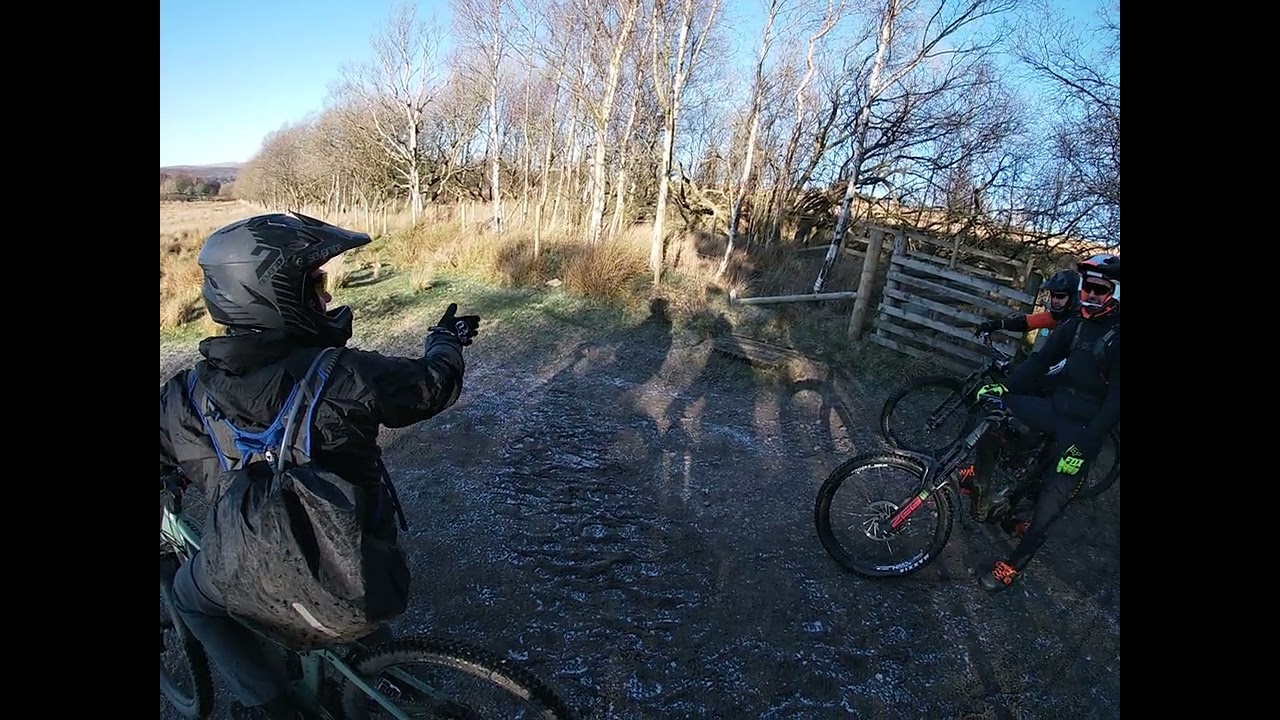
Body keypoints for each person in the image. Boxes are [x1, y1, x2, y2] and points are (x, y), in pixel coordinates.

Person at [159, 211, 481, 719]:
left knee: (189, 596)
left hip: (246, 575)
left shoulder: (183, 395)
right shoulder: (347, 375)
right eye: (315, 285)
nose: (327, 297)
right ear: (273, 293)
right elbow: (432, 385)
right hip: (361, 575)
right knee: (346, 570)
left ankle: (279, 708)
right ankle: (385, 670)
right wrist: (445, 340)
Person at [962, 253, 1119, 593]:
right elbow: (1040, 361)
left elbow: (1116, 402)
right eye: (1087, 288)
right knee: (994, 413)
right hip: (1054, 407)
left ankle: (1013, 566)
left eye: (1099, 289)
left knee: (1051, 502)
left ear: (1116, 293)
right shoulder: (1076, 323)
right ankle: (983, 490)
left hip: (1082, 428)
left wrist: (1086, 444)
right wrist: (1005, 388)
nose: (1089, 295)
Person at [974, 268, 1081, 337]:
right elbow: (1026, 322)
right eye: (1053, 295)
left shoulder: (1080, 325)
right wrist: (996, 324)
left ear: (1073, 297)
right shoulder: (1055, 317)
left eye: (1061, 296)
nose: (1056, 300)